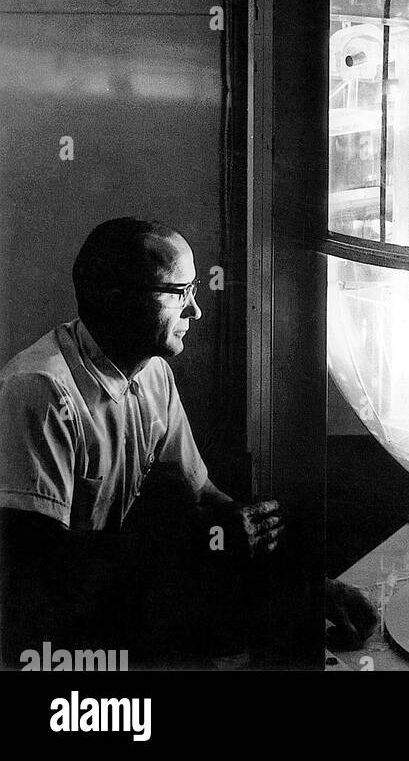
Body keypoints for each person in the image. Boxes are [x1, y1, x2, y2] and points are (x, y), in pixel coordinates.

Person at [0, 217, 372, 668]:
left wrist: (313, 587)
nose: (195, 311)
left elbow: (204, 497)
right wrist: (204, 546)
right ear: (116, 300)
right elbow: (36, 572)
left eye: (195, 290)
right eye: (180, 294)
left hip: (92, 610)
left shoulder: (153, 374)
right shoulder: (39, 390)